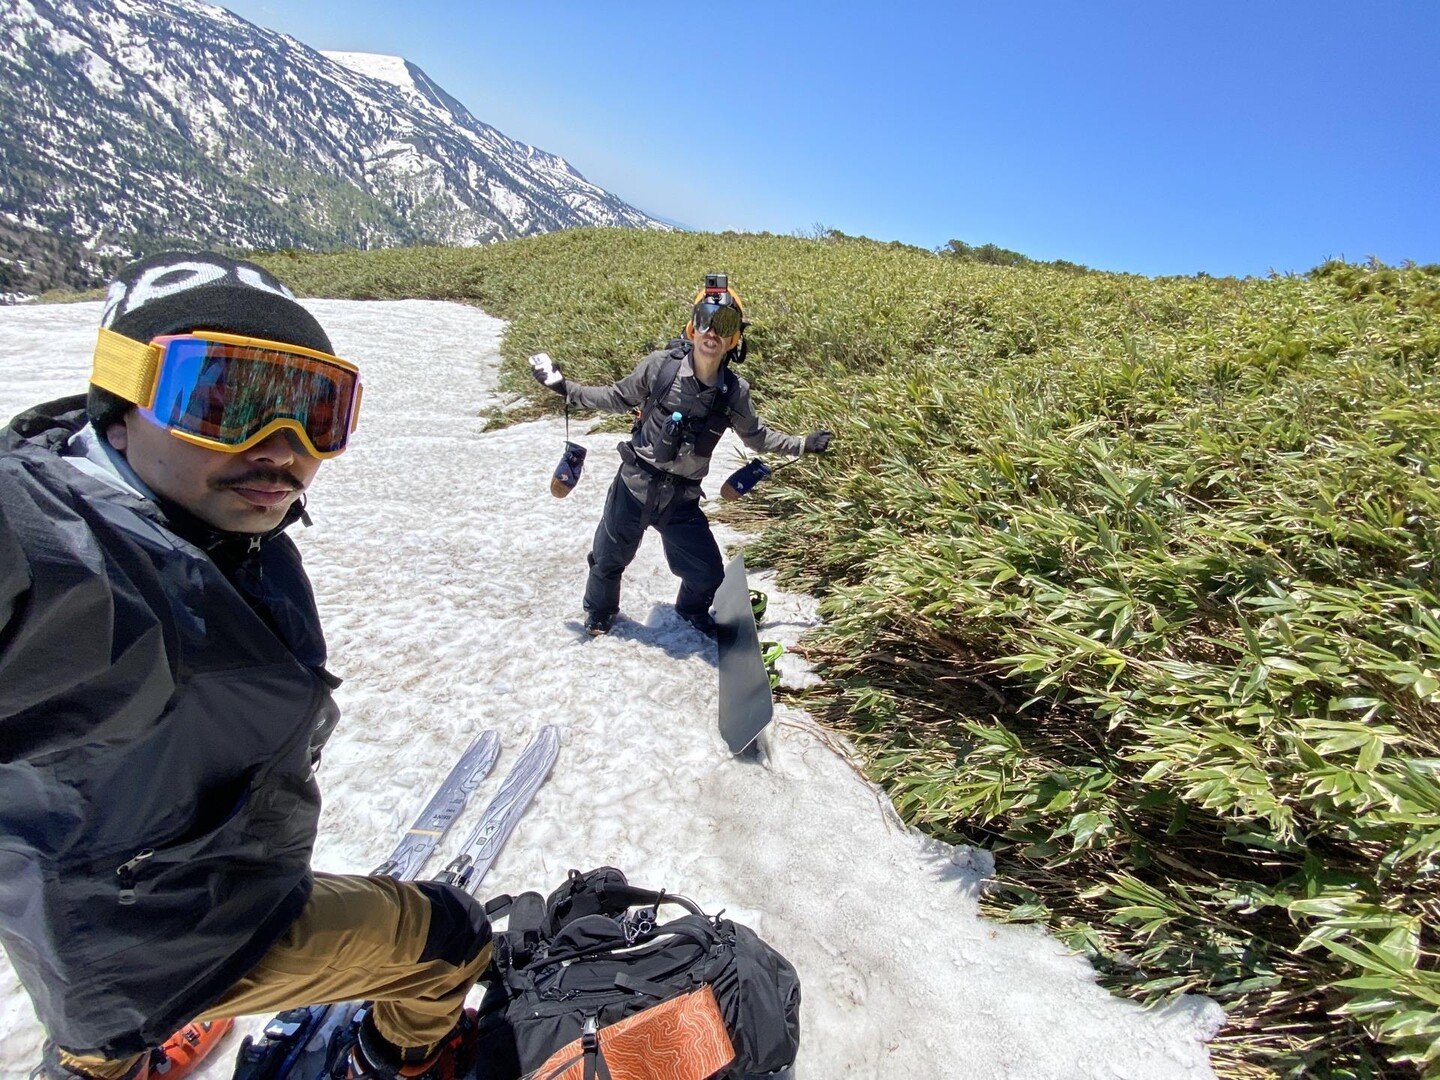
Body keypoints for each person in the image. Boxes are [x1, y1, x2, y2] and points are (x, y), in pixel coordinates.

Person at [0, 253, 492, 1080]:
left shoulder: (204, 519)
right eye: (224, 401)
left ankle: (104, 1054)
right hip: (188, 933)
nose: (282, 451)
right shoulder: (56, 550)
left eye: (317, 413)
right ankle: (388, 1061)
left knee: (101, 1036)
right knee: (452, 941)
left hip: (76, 938)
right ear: (122, 399)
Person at [530, 274, 832, 637]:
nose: (712, 332)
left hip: (681, 501)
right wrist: (565, 389)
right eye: (705, 319)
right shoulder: (661, 366)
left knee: (708, 574)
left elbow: (757, 436)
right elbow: (616, 397)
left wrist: (802, 444)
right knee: (607, 560)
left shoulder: (734, 393)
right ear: (693, 326)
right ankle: (599, 614)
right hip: (634, 486)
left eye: (724, 325)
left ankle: (690, 610)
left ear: (734, 339)